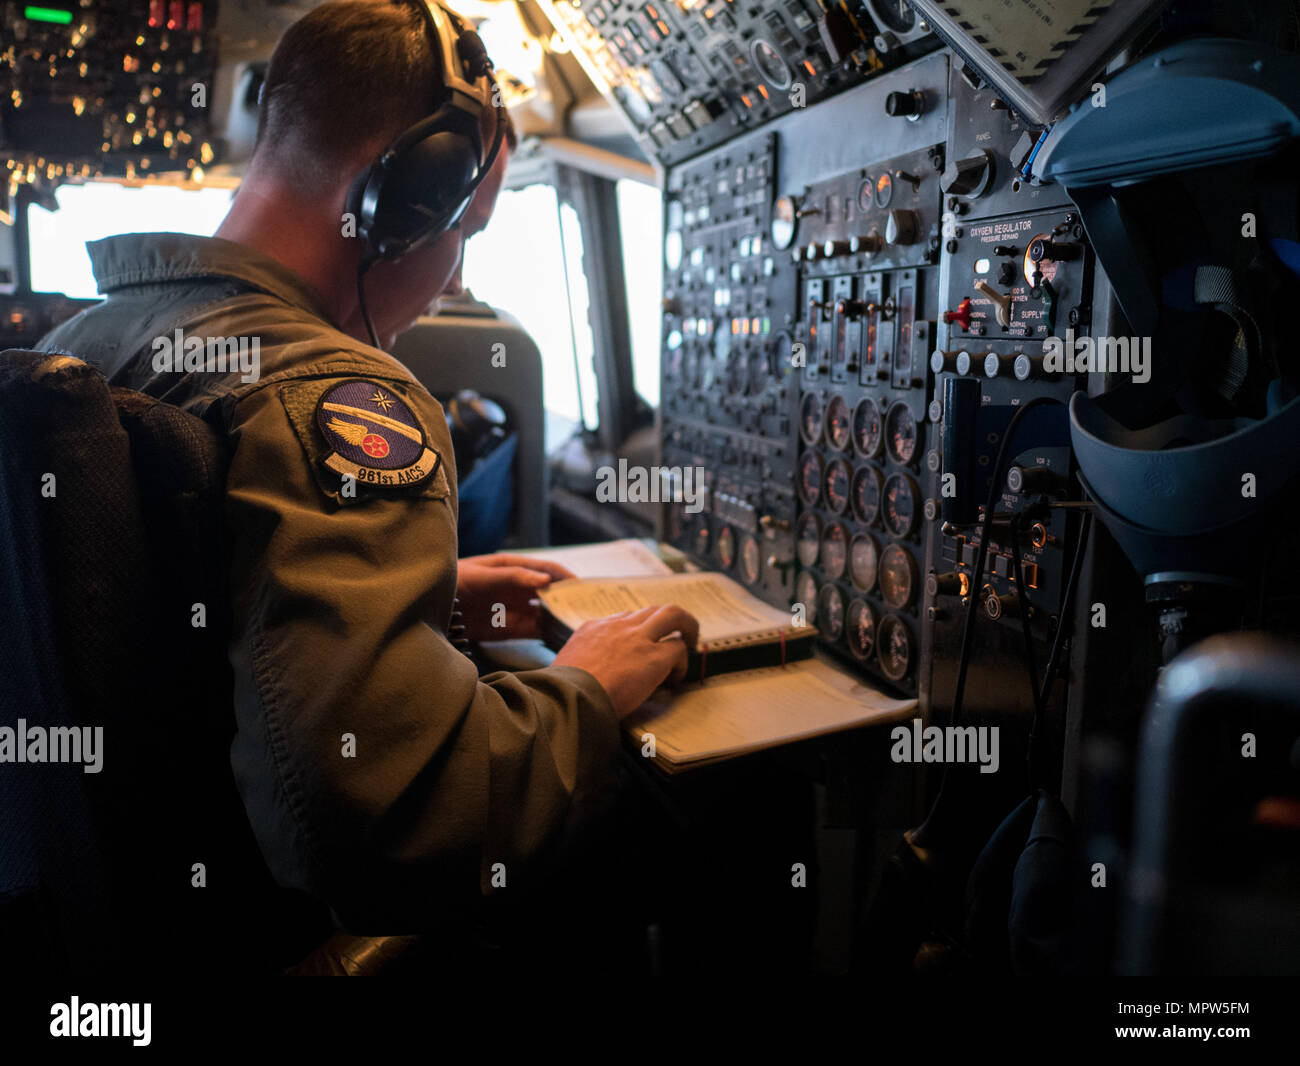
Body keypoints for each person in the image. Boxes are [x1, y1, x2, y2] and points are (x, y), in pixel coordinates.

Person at [37, 0, 698, 963]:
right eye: (463, 228)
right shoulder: (332, 396)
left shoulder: (84, 342)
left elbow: (150, 609)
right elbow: (400, 824)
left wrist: (436, 599)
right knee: (648, 834)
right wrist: (588, 692)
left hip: (111, 928)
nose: (450, 273)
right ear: (401, 199)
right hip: (253, 934)